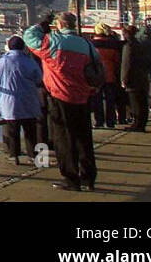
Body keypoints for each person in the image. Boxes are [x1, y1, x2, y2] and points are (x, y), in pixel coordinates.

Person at [24, 11, 101, 191]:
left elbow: (29, 36)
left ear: (59, 25)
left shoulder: (53, 42)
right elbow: (98, 67)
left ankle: (71, 179)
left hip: (60, 96)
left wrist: (43, 23)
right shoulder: (87, 45)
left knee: (64, 140)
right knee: (84, 138)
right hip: (83, 97)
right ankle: (88, 178)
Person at [0, 35, 43, 165]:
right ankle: (33, 156)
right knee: (30, 130)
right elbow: (38, 77)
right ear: (23, 47)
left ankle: (14, 155)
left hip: (10, 100)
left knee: (12, 130)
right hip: (29, 99)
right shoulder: (30, 61)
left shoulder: (3, 61)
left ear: (9, 46)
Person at [90, 24, 125, 128]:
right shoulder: (113, 44)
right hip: (110, 75)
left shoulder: (92, 45)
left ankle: (99, 121)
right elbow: (117, 61)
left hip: (96, 76)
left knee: (97, 100)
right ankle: (110, 121)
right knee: (110, 100)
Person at [120, 24, 151, 132]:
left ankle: (137, 124)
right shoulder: (140, 45)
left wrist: (124, 79)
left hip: (133, 80)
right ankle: (141, 124)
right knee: (142, 102)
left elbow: (126, 64)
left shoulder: (128, 46)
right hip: (142, 77)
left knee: (135, 103)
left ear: (126, 34)